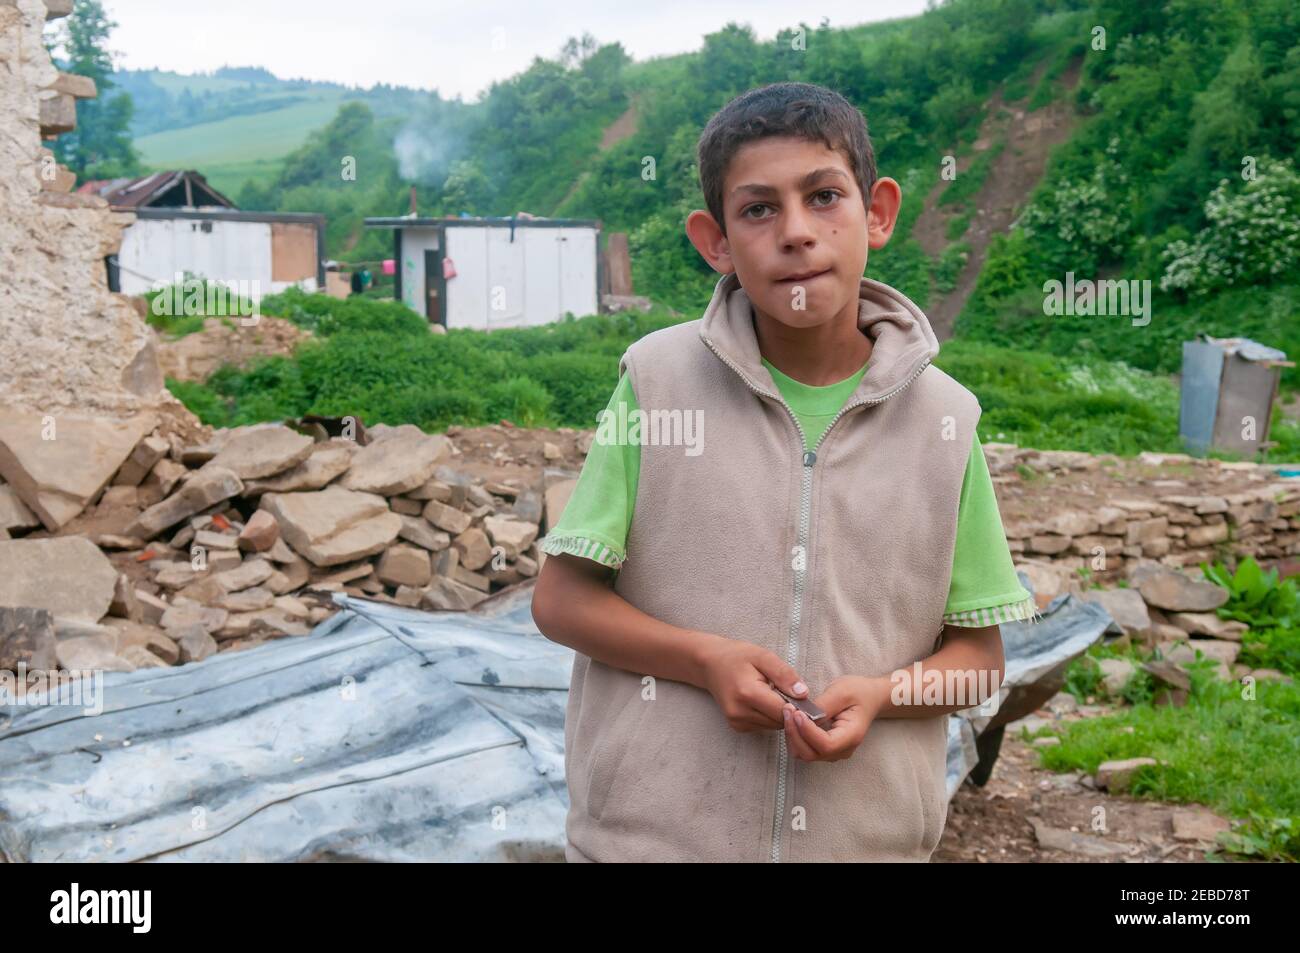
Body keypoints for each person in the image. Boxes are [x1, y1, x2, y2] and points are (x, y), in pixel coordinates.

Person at [531, 82, 1036, 863]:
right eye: (759, 209)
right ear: (716, 240)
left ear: (878, 212)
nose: (796, 233)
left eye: (824, 196)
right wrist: (705, 659)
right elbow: (561, 599)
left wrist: (881, 695)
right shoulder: (657, 382)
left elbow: (978, 663)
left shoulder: (945, 419)